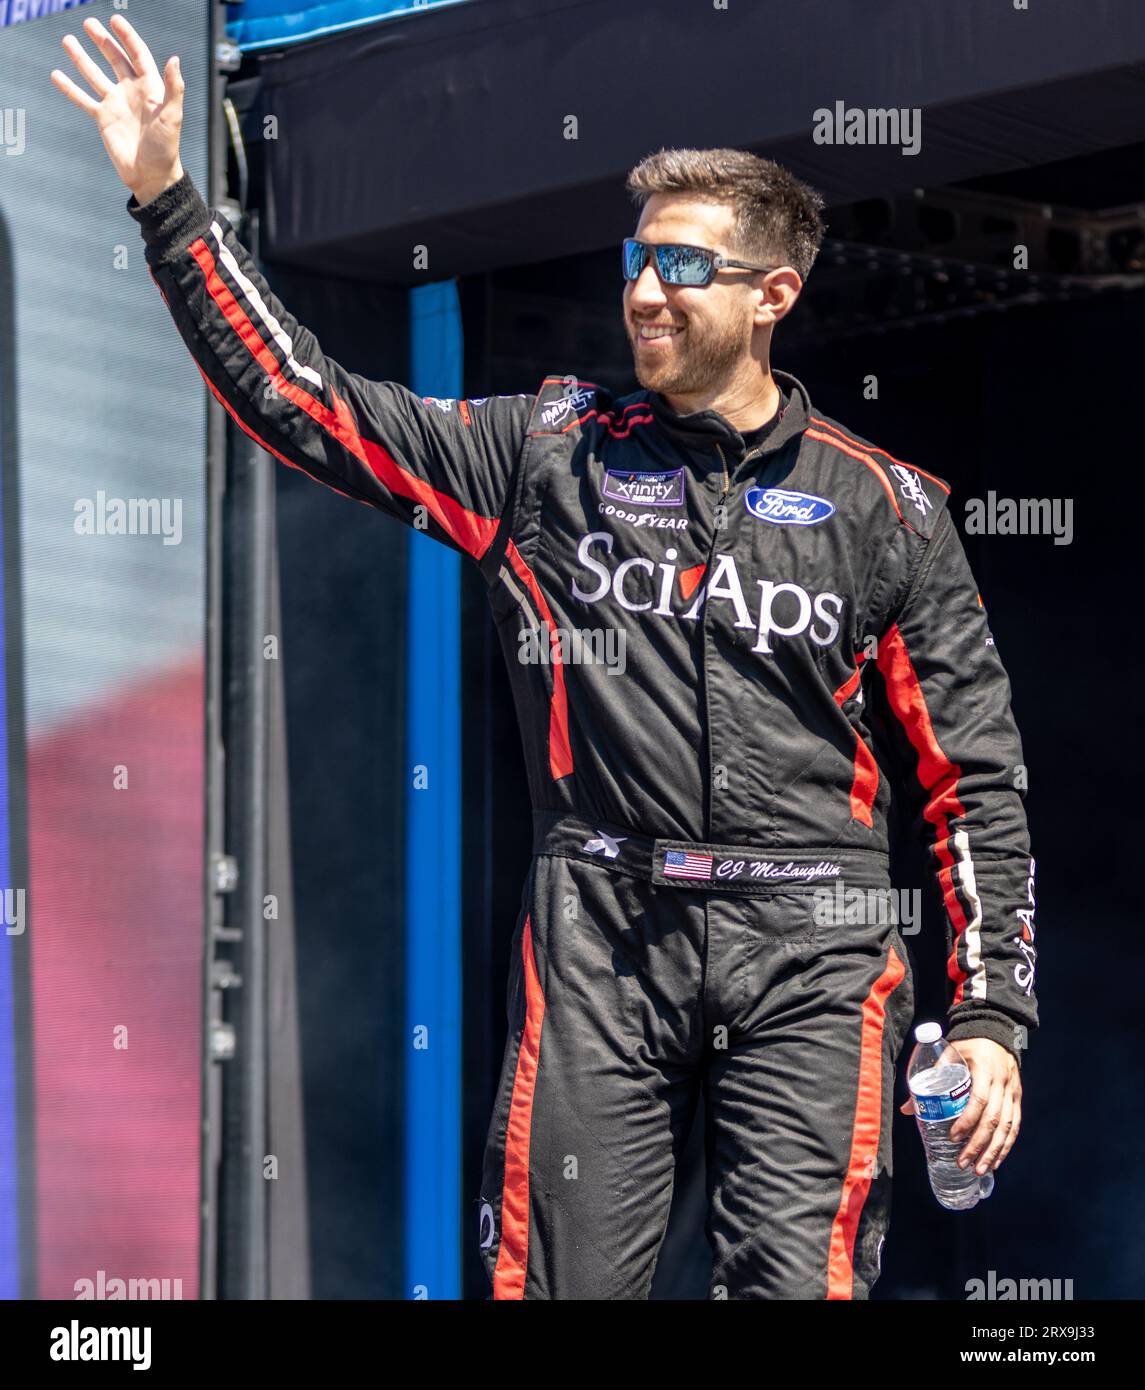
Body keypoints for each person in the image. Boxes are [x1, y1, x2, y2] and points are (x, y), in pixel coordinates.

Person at [52, 16, 1038, 1300]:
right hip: (601, 929)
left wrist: (990, 1017)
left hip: (817, 937)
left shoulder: (887, 509)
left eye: (682, 264)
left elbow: (974, 783)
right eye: (637, 258)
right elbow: (306, 402)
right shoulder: (546, 453)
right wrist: (169, 202)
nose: (642, 289)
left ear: (771, 295)